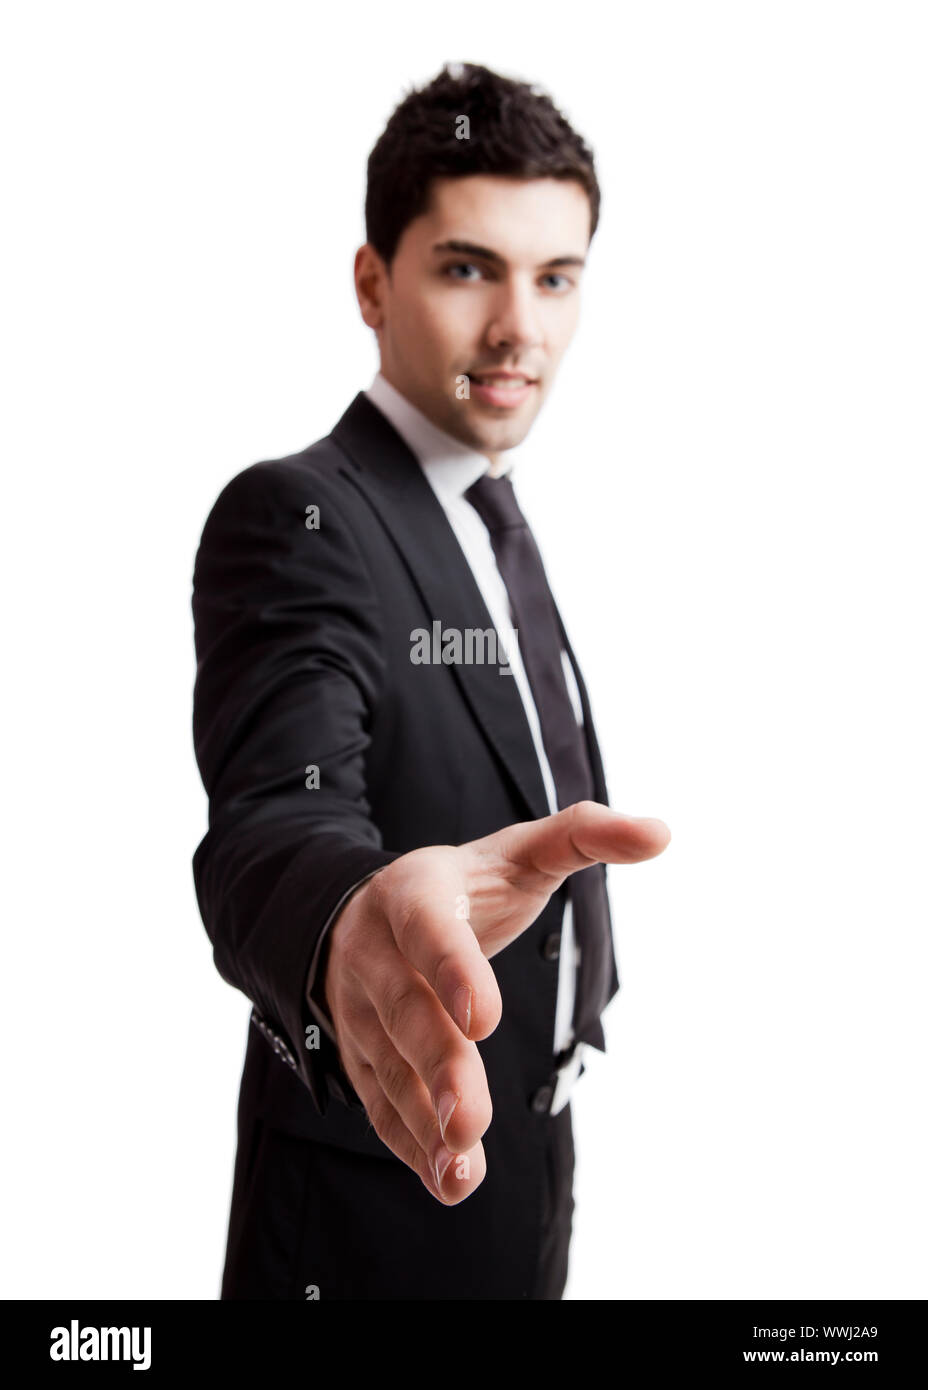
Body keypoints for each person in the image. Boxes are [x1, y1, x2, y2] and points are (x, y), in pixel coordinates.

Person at [191, 61, 670, 1301]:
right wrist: (343, 914)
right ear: (372, 281)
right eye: (468, 268)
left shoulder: (485, 513)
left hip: (526, 1168)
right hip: (374, 1204)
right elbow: (276, 815)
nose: (522, 325)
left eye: (555, 276)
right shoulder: (299, 514)